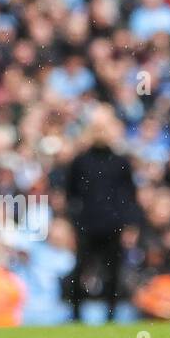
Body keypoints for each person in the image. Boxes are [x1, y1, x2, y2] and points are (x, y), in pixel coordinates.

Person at [64, 105, 138, 322]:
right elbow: (71, 195)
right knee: (80, 270)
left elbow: (128, 197)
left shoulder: (120, 163)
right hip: (87, 225)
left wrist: (130, 225)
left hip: (113, 225)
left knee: (113, 272)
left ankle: (111, 315)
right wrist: (73, 223)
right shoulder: (80, 162)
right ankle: (76, 315)